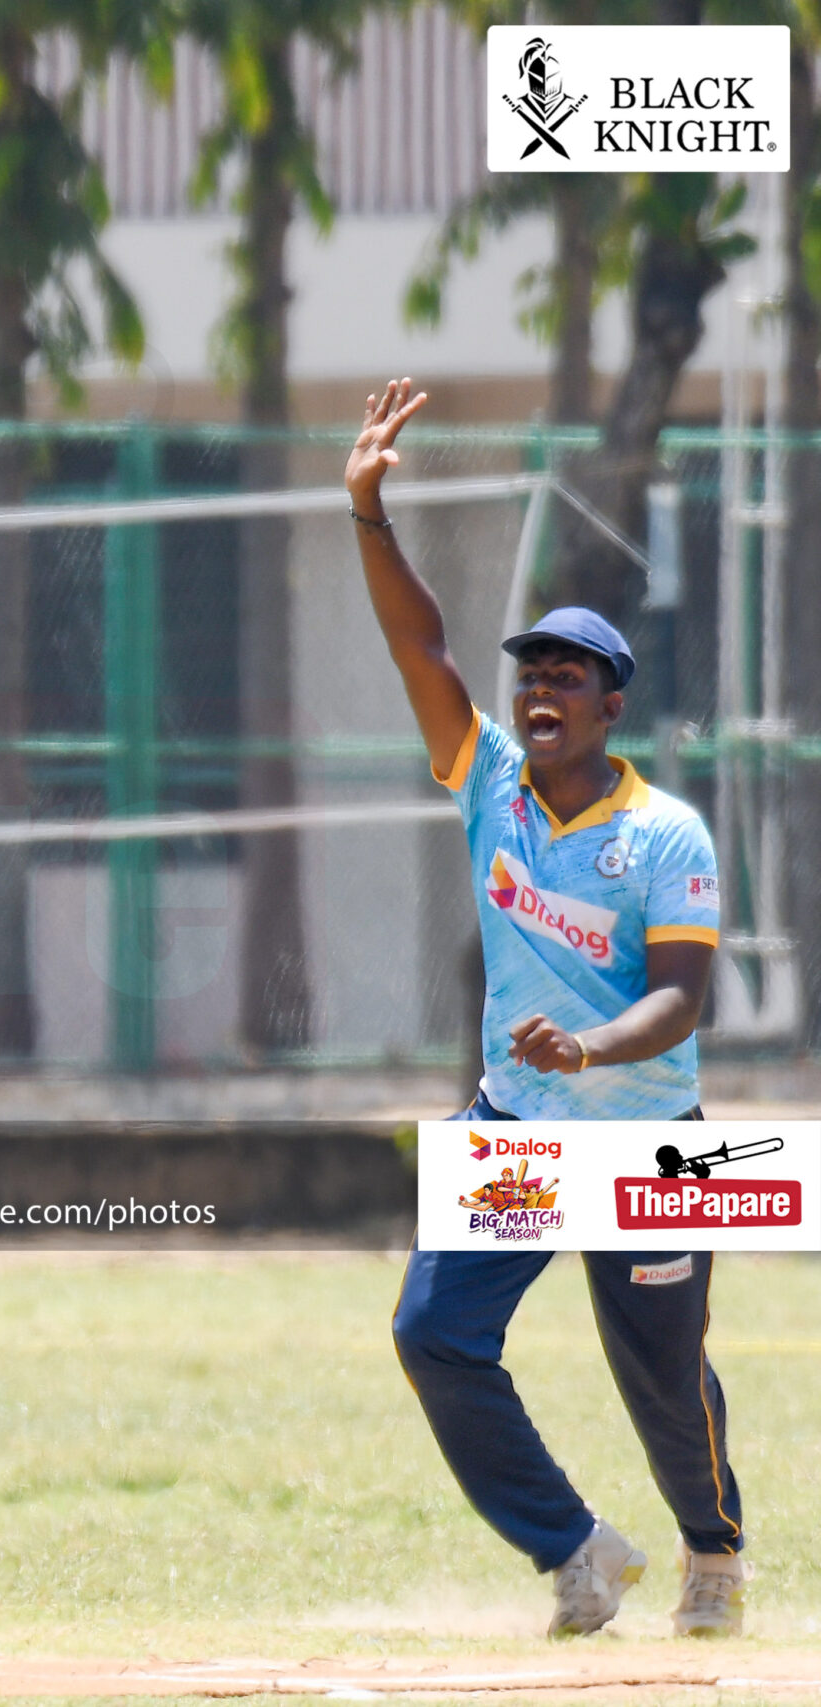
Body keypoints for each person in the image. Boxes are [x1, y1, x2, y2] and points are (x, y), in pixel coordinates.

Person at [345, 383, 745, 1638]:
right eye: (529, 675)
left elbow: (682, 999)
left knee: (664, 1383)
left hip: (645, 1140)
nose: (536, 693)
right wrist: (366, 512)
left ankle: (711, 1551)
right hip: (516, 1124)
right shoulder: (493, 788)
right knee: (433, 1334)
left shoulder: (663, 834)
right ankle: (575, 1550)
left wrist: (587, 1044)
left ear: (608, 704)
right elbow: (421, 650)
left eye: (564, 677)